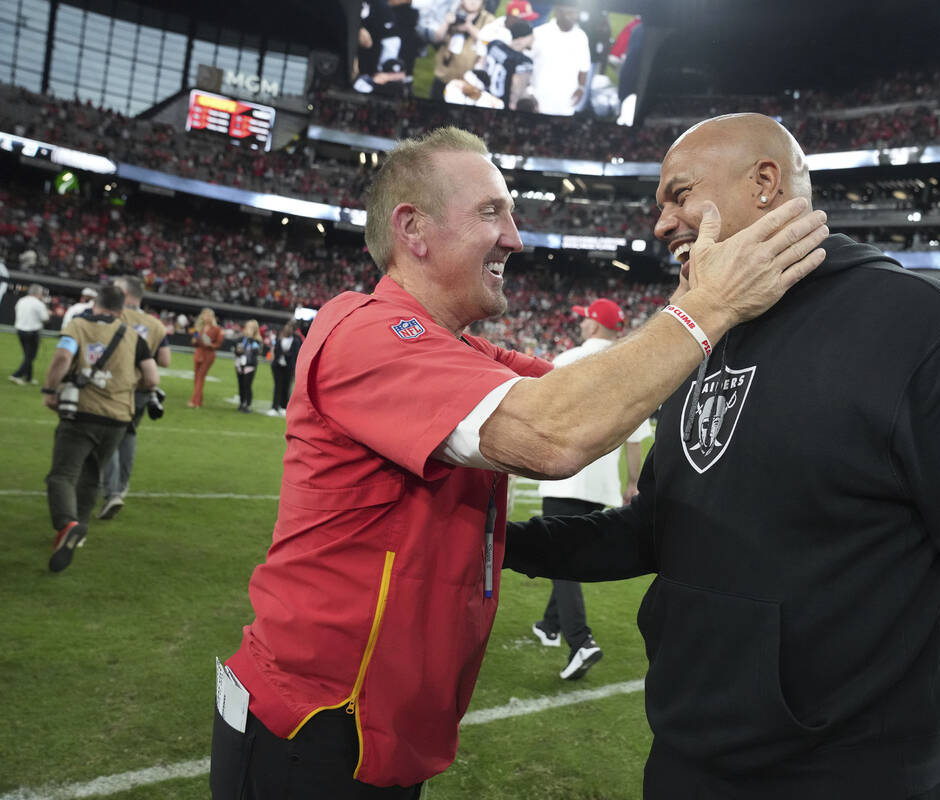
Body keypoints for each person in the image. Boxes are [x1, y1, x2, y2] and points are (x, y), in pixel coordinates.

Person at [505, 113, 940, 799]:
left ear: (765, 182)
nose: (662, 223)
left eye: (678, 194)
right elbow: (655, 527)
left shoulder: (923, 328)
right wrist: (504, 543)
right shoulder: (700, 338)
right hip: (687, 762)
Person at [210, 125, 828, 798]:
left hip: (374, 725)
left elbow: (604, 389)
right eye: (491, 211)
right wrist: (708, 304)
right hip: (314, 723)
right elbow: (554, 433)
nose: (516, 236)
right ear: (412, 228)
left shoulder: (460, 351)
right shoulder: (365, 331)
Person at [532, 297, 653, 680]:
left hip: (564, 474)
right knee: (569, 553)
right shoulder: (630, 369)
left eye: (586, 320)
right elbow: (636, 439)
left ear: (596, 325)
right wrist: (632, 482)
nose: (582, 324)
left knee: (559, 557)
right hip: (601, 484)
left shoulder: (568, 360)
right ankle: (550, 625)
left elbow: (539, 414)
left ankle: (580, 640)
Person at [40, 283, 160, 573]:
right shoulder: (132, 335)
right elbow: (152, 377)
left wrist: (49, 389)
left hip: (83, 413)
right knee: (91, 475)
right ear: (121, 309)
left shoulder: (79, 326)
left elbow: (62, 357)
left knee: (62, 475)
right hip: (119, 417)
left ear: (96, 302)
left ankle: (67, 524)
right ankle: (78, 530)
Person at [97, 276, 170, 520]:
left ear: (125, 294)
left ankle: (112, 490)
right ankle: (122, 485)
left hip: (116, 387)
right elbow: (165, 360)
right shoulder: (155, 324)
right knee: (128, 435)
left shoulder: (116, 315)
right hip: (143, 389)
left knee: (108, 436)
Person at [528, 4, 590, 116]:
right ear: (558, 12)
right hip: (539, 97)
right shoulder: (539, 33)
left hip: (566, 100)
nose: (574, 17)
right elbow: (526, 65)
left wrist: (581, 87)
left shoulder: (581, 37)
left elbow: (584, 66)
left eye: (575, 13)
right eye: (569, 13)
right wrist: (528, 91)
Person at [429, 0, 494, 102]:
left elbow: (489, 42)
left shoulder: (488, 19)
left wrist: (469, 27)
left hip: (468, 83)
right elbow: (437, 38)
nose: (473, 2)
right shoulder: (451, 12)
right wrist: (446, 23)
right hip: (444, 76)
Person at [10, 282, 49, 385]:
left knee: (27, 355)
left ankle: (28, 377)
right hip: (32, 332)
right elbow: (45, 318)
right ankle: (16, 375)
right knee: (31, 356)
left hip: (20, 330)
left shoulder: (21, 300)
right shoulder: (38, 304)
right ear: (38, 293)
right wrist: (48, 313)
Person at [189, 308, 223, 408]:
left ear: (212, 317)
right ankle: (198, 400)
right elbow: (194, 342)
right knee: (196, 377)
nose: (206, 317)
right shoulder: (199, 328)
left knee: (200, 377)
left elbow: (218, 344)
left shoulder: (216, 329)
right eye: (204, 315)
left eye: (208, 316)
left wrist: (210, 345)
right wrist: (195, 341)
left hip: (208, 355)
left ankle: (194, 401)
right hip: (198, 353)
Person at [268, 319, 302, 417]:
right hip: (278, 366)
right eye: (287, 328)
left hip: (289, 367)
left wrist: (287, 356)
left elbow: (295, 355)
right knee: (277, 386)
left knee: (286, 387)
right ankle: (274, 407)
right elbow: (276, 351)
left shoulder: (296, 341)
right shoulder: (280, 338)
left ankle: (283, 407)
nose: (288, 330)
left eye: (290, 328)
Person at [234, 319, 263, 413]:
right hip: (240, 364)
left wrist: (249, 339)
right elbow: (237, 351)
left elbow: (255, 352)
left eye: (251, 327)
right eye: (248, 327)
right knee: (241, 384)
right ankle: (241, 402)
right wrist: (238, 350)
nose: (248, 329)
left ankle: (247, 404)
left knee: (247, 385)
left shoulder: (256, 340)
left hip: (250, 365)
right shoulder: (241, 338)